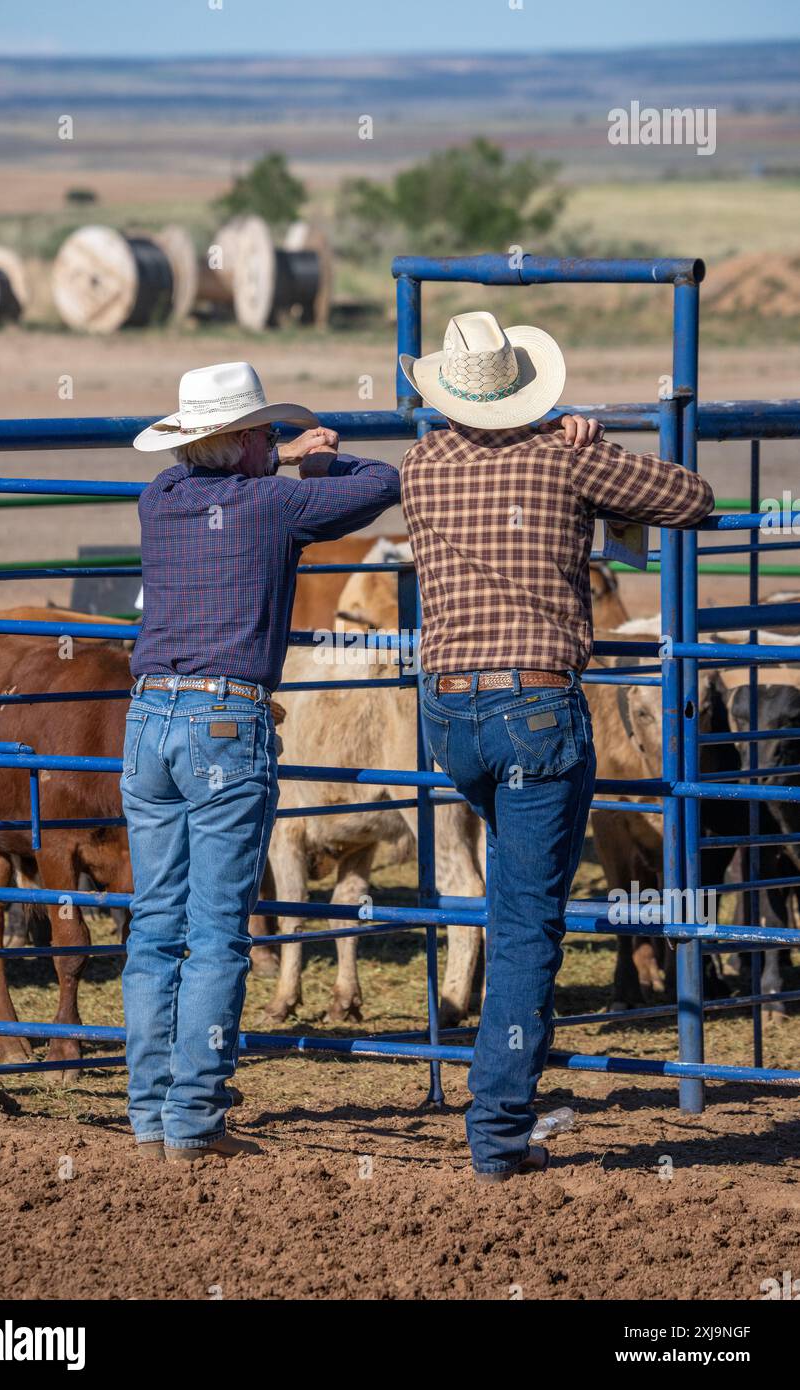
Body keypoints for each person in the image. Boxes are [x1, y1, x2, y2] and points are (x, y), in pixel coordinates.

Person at [399, 311, 714, 1182]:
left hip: (450, 714)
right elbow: (692, 499)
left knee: (512, 892)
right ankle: (499, 1133)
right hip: (536, 706)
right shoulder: (565, 454)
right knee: (529, 921)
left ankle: (499, 1104)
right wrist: (590, 446)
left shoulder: (421, 465)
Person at [122, 360, 400, 1163]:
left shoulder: (160, 499)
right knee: (216, 932)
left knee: (156, 928)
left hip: (150, 720)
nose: (277, 443)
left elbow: (213, 477)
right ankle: (196, 1119)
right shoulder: (275, 505)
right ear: (243, 440)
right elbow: (380, 482)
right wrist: (316, 462)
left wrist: (273, 456)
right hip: (223, 724)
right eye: (266, 432)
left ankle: (151, 1112)